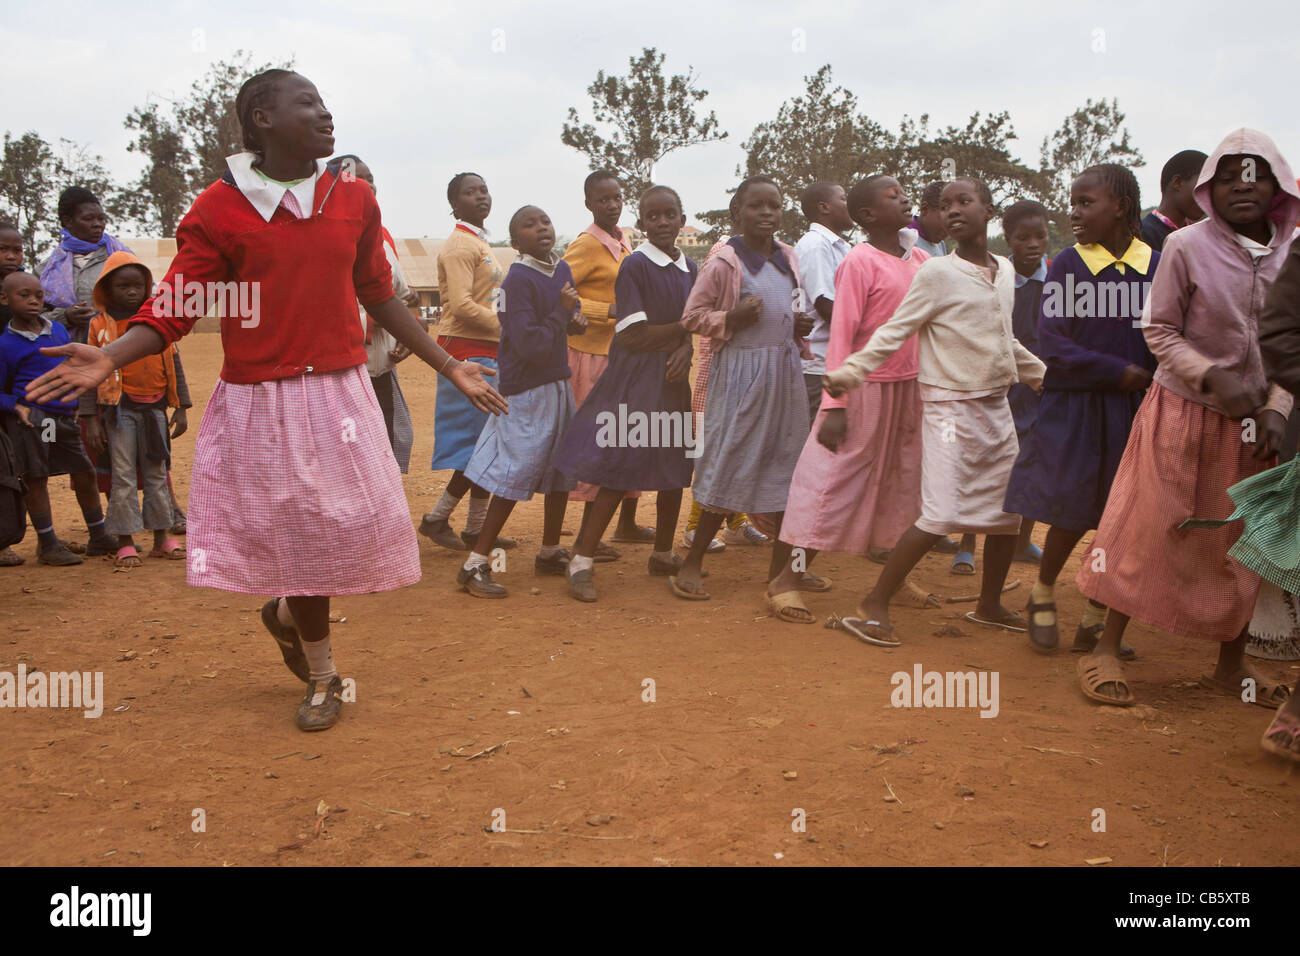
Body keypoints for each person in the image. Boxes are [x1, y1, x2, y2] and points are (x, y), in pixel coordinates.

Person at [26, 68, 506, 733]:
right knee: (307, 543)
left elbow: (379, 294)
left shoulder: (354, 198)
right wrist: (109, 355)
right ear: (262, 119)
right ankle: (322, 675)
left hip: (341, 398)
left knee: (348, 528)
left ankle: (283, 615)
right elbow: (176, 308)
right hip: (264, 403)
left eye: (325, 101)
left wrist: (450, 365)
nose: (325, 112)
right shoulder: (219, 207)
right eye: (306, 103)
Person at [1074, 129, 1298, 708]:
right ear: (1208, 190)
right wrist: (1211, 376)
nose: (1242, 187)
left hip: (1252, 426)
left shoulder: (1293, 253)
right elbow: (1160, 331)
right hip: (1182, 410)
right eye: (1228, 178)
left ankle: (1231, 665)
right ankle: (1106, 648)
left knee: (1244, 538)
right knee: (1153, 524)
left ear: (1277, 186)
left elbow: (1291, 343)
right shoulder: (1187, 247)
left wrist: (1276, 408)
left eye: (1255, 176)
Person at [823, 176, 1045, 645]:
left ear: (988, 208)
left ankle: (988, 605)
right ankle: (873, 604)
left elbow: (1005, 340)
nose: (954, 211)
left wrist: (1043, 376)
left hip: (995, 409)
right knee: (939, 514)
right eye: (946, 206)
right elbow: (894, 330)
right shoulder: (937, 273)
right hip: (948, 411)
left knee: (1006, 514)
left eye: (965, 201)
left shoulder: (1004, 271)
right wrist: (851, 372)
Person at [1003, 168, 1157, 656]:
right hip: (1076, 405)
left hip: (1137, 408)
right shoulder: (1069, 264)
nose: (1074, 212)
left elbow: (1165, 333)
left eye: (1085, 202)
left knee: (1122, 515)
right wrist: (1117, 370)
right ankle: (1043, 590)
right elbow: (1052, 342)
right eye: (1072, 202)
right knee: (1071, 508)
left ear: (1121, 206)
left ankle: (1094, 615)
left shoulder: (1155, 264)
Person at [769, 175, 929, 624]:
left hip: (911, 388)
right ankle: (788, 579)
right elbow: (840, 335)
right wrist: (836, 404)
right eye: (892, 195)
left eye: (903, 191)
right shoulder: (859, 261)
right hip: (864, 388)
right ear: (867, 216)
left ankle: (894, 580)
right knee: (831, 488)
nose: (903, 197)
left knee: (904, 484)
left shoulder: (920, 258)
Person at [672, 175, 813, 603]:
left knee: (788, 464)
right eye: (756, 206)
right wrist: (729, 319)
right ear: (738, 212)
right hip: (740, 375)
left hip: (784, 372)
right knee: (728, 460)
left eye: (774, 205)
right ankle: (692, 562)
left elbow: (793, 308)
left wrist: (798, 326)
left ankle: (785, 574)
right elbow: (692, 317)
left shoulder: (789, 257)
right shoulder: (725, 262)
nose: (766, 213)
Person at [555, 185, 698, 602]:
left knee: (674, 464)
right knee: (622, 463)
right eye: (652, 217)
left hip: (671, 377)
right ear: (642, 223)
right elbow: (634, 334)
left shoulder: (688, 266)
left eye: (669, 214)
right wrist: (685, 333)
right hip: (636, 378)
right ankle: (581, 559)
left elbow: (691, 324)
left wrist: (686, 348)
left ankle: (664, 552)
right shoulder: (635, 265)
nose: (662, 223)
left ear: (681, 217)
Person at [456, 206, 584, 598]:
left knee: (561, 469)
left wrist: (574, 318)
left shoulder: (560, 269)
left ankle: (549, 550)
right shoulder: (516, 281)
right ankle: (476, 563)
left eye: (545, 220)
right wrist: (563, 315)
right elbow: (529, 346)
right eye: (528, 225)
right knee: (514, 474)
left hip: (558, 382)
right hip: (526, 389)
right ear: (515, 242)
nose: (541, 228)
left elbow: (568, 316)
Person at [563, 170, 654, 556]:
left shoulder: (624, 240)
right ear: (589, 204)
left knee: (630, 437)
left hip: (625, 355)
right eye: (603, 200)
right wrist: (611, 311)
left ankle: (627, 524)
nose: (612, 205)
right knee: (601, 442)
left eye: (617, 198)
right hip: (591, 356)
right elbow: (560, 293)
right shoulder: (585, 245)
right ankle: (589, 536)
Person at [422, 173, 514, 551]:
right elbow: (459, 305)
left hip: (485, 350)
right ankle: (437, 518)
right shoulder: (460, 245)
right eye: (470, 192)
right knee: (476, 446)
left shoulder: (479, 241)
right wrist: (509, 326)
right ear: (454, 204)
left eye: (484, 190)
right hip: (464, 351)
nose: (480, 197)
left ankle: (475, 527)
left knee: (485, 443)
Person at [0, 271, 116, 564]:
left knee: (83, 471)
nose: (33, 301)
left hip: (61, 418)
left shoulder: (58, 332)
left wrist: (76, 403)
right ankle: (48, 543)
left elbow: (70, 368)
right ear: (4, 299)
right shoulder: (4, 344)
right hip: (33, 420)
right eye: (23, 295)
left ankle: (98, 535)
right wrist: (16, 405)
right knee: (36, 477)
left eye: (38, 295)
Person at [86, 252, 187, 566]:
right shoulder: (100, 327)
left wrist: (181, 407)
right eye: (122, 286)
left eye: (138, 286)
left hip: (155, 410)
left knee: (158, 474)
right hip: (119, 412)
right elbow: (88, 373)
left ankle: (161, 537)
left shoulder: (158, 321)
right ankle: (125, 539)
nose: (131, 291)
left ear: (148, 287)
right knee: (123, 477)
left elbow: (175, 363)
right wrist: (90, 418)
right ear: (107, 289)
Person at [333, 154, 418, 471]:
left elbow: (399, 297)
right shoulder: (319, 238)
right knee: (347, 455)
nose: (367, 185)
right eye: (357, 178)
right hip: (338, 372)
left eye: (371, 179)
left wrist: (406, 334)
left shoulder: (383, 237)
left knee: (389, 446)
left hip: (380, 368)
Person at [793, 182, 853, 423]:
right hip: (818, 364)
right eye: (844, 198)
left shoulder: (839, 245)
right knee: (815, 441)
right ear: (824, 207)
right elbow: (825, 303)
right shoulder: (816, 245)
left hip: (834, 362)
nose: (850, 205)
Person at [0, 223, 27, 567]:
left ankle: (5, 537)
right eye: (3, 249)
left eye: (16, 250)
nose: (10, 256)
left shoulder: (25, 287)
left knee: (15, 465)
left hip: (15, 397)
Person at [1140, 149, 1208, 253]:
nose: (1207, 196)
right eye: (1203, 187)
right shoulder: (1144, 235)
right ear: (1178, 182)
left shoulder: (1199, 236)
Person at [909, 182, 948, 258]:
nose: (948, 230)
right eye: (944, 220)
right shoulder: (903, 240)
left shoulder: (940, 245)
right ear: (925, 209)